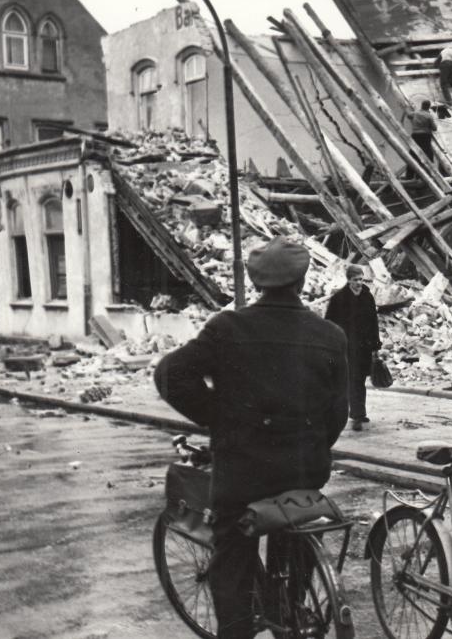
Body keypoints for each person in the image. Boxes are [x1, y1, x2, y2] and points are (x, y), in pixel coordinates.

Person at [154, 237, 349, 638]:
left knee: (232, 556)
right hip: (302, 469)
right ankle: (289, 612)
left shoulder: (228, 328)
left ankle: (239, 628)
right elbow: (338, 413)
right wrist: (310, 442)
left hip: (242, 470)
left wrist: (218, 419)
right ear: (302, 279)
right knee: (295, 533)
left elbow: (171, 375)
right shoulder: (329, 335)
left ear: (255, 281)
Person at [324, 263, 381, 431]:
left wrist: (376, 344)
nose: (359, 283)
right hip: (346, 347)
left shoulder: (367, 297)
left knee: (360, 380)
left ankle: (359, 413)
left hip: (363, 347)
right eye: (356, 280)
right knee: (350, 380)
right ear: (348, 280)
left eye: (361, 279)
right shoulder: (339, 298)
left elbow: (373, 322)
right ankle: (352, 414)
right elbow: (329, 323)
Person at [407, 100, 438, 179]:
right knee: (428, 154)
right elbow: (434, 128)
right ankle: (430, 174)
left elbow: (409, 115)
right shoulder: (429, 116)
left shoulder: (416, 113)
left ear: (421, 105)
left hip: (415, 135)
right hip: (425, 136)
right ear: (428, 107)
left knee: (413, 154)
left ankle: (409, 176)